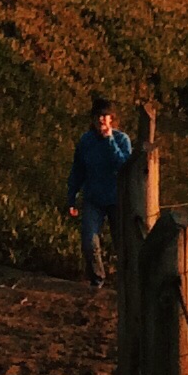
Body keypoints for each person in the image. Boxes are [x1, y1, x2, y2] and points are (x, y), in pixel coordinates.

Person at [66, 98, 135, 288]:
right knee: (89, 241)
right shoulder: (86, 141)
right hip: (93, 198)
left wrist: (109, 141)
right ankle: (97, 280)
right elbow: (78, 170)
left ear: (112, 119)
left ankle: (128, 282)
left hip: (116, 199)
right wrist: (72, 196)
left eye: (105, 116)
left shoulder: (122, 140)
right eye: (98, 116)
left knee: (122, 244)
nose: (101, 120)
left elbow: (124, 165)